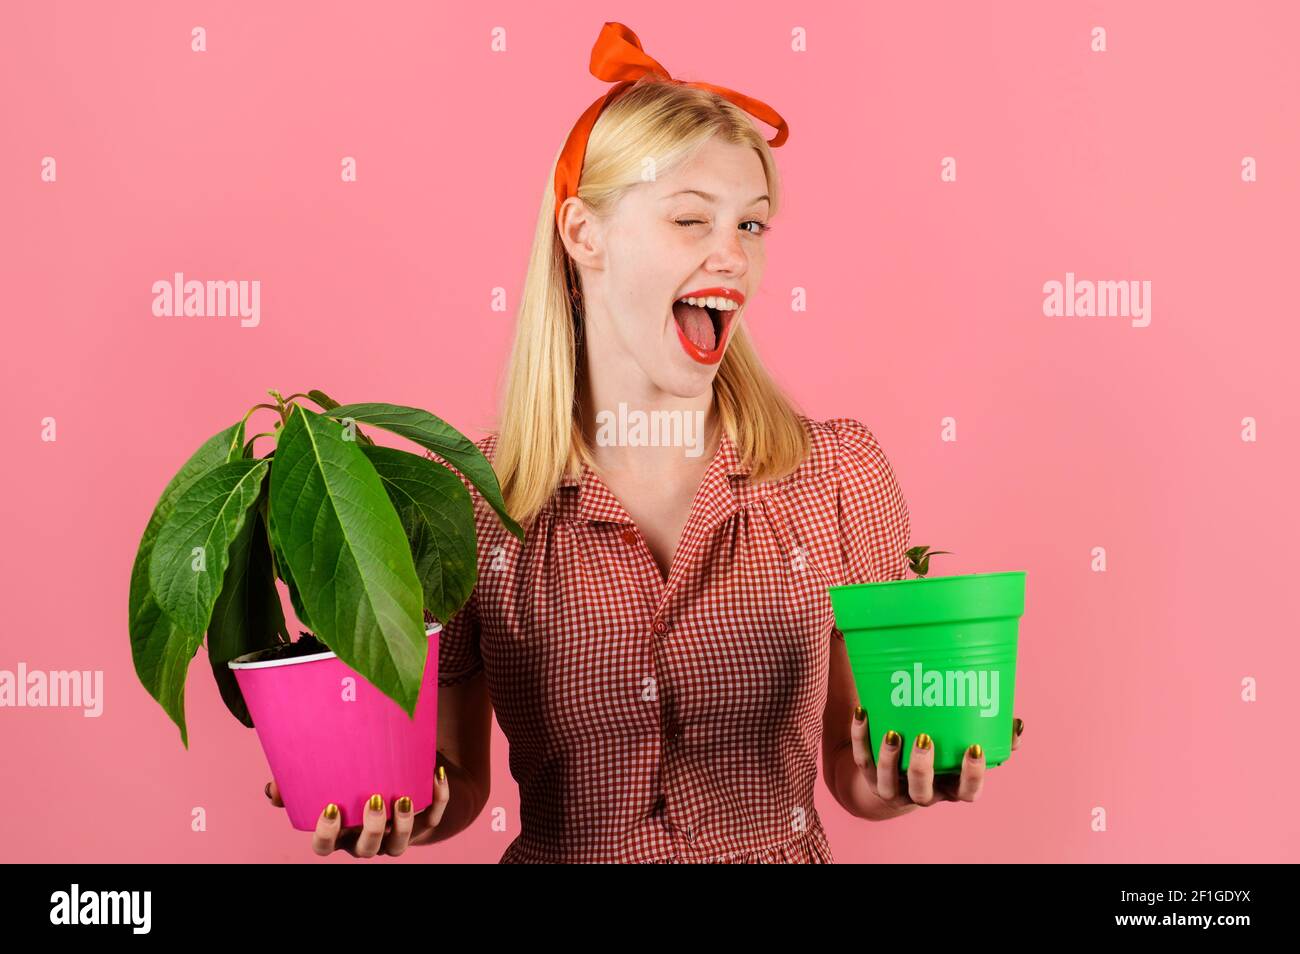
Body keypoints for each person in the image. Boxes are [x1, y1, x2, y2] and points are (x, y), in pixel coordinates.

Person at [265, 21, 1025, 862]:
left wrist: (895, 780)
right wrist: (401, 804)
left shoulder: (836, 475)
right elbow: (462, 784)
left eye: (752, 226)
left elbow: (854, 763)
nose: (732, 257)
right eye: (692, 220)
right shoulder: (472, 505)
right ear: (583, 234)